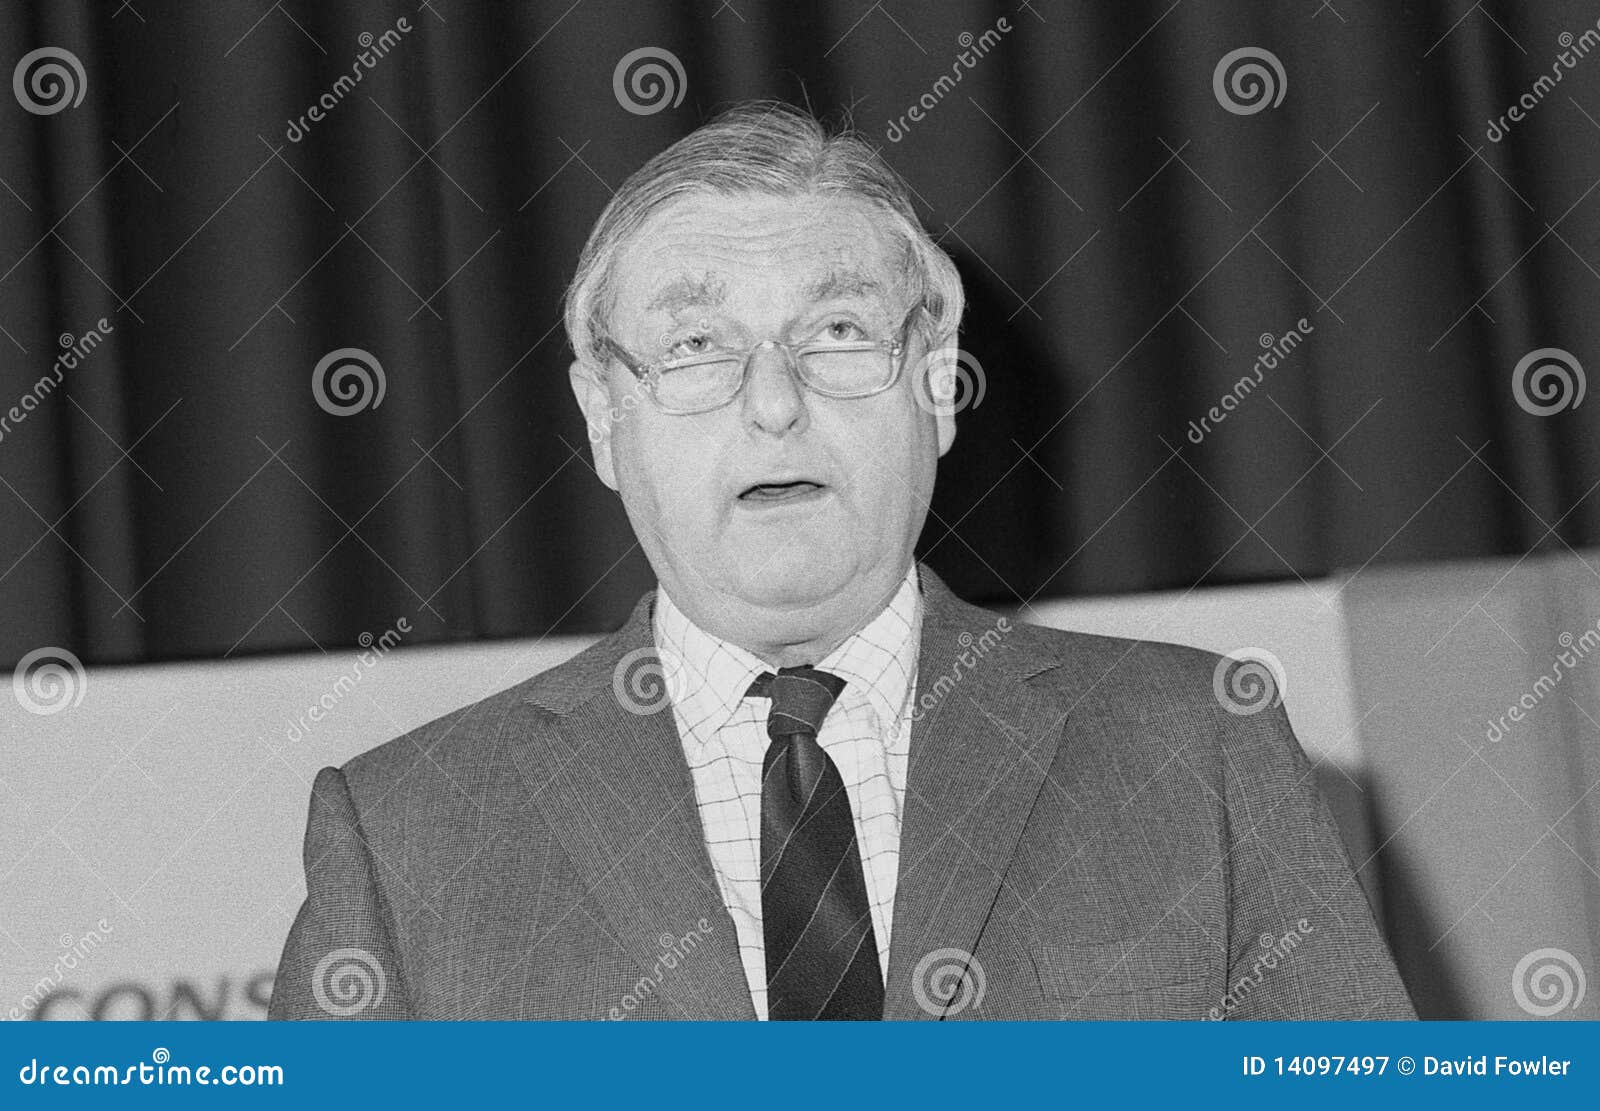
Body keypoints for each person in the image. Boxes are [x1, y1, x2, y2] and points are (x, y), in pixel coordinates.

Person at [269, 101, 1414, 1021]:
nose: (774, 404)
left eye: (837, 333)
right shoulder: (410, 832)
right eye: (696, 346)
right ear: (605, 417)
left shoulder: (1199, 751)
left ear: (935, 385)